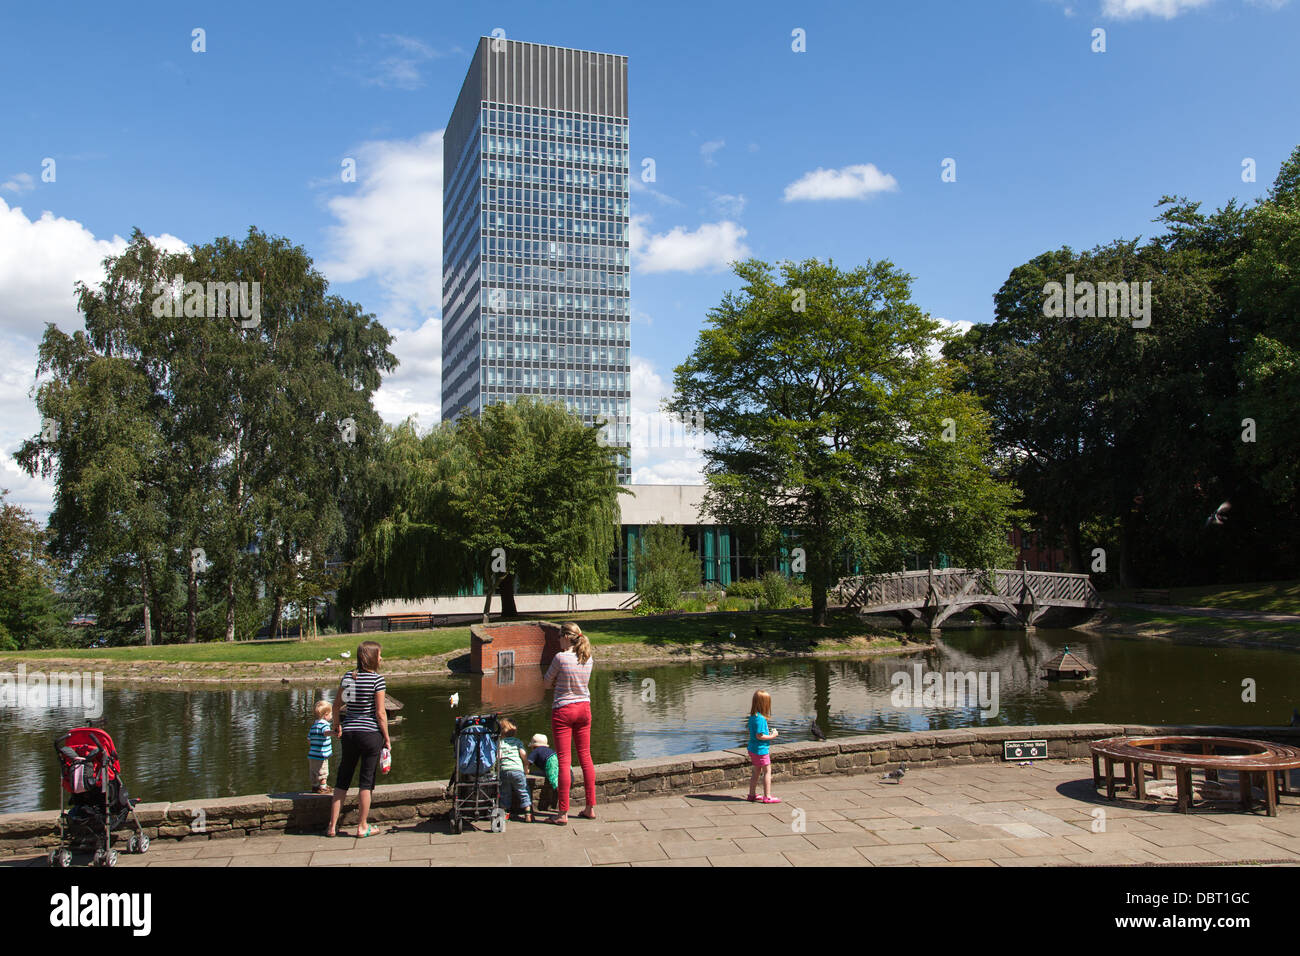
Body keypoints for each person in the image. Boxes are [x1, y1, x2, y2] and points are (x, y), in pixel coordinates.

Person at [326, 641, 390, 838]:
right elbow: (380, 714)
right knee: (366, 781)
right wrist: (387, 738)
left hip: (350, 734)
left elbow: (336, 706)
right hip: (370, 734)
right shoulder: (377, 680)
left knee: (343, 779)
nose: (381, 658)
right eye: (379, 655)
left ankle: (331, 826)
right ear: (371, 658)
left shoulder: (348, 677)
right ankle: (362, 826)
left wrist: (337, 726)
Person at [542, 621, 596, 825]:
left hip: (563, 710)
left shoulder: (560, 658)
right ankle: (590, 807)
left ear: (566, 637)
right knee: (586, 757)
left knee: (564, 760)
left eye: (558, 637)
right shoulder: (587, 657)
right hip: (584, 708)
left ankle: (563, 812)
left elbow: (546, 683)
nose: (557, 640)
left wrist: (556, 682)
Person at [747, 690, 781, 804]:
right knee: (767, 771)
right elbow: (760, 736)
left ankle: (751, 794)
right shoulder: (761, 719)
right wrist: (772, 736)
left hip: (753, 748)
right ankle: (767, 796)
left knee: (756, 771)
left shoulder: (753, 717)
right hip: (760, 749)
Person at [496, 717, 533, 823]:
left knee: (505, 792)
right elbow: (523, 755)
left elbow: (498, 756)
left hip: (504, 771)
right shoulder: (517, 742)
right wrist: (526, 766)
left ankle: (505, 814)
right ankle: (528, 814)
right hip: (517, 770)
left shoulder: (500, 743)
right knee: (523, 791)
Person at [526, 733, 573, 813]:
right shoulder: (549, 750)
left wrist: (526, 770)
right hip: (558, 757)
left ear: (533, 746)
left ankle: (563, 806)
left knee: (555, 781)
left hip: (550, 761)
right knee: (563, 775)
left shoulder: (536, 751)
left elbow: (528, 762)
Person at [308, 700, 333, 794]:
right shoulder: (324, 725)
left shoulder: (314, 726)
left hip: (312, 754)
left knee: (314, 771)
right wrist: (334, 733)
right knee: (323, 771)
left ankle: (315, 786)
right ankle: (323, 787)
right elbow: (325, 732)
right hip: (321, 755)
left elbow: (309, 739)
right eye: (331, 714)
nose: (331, 716)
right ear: (326, 715)